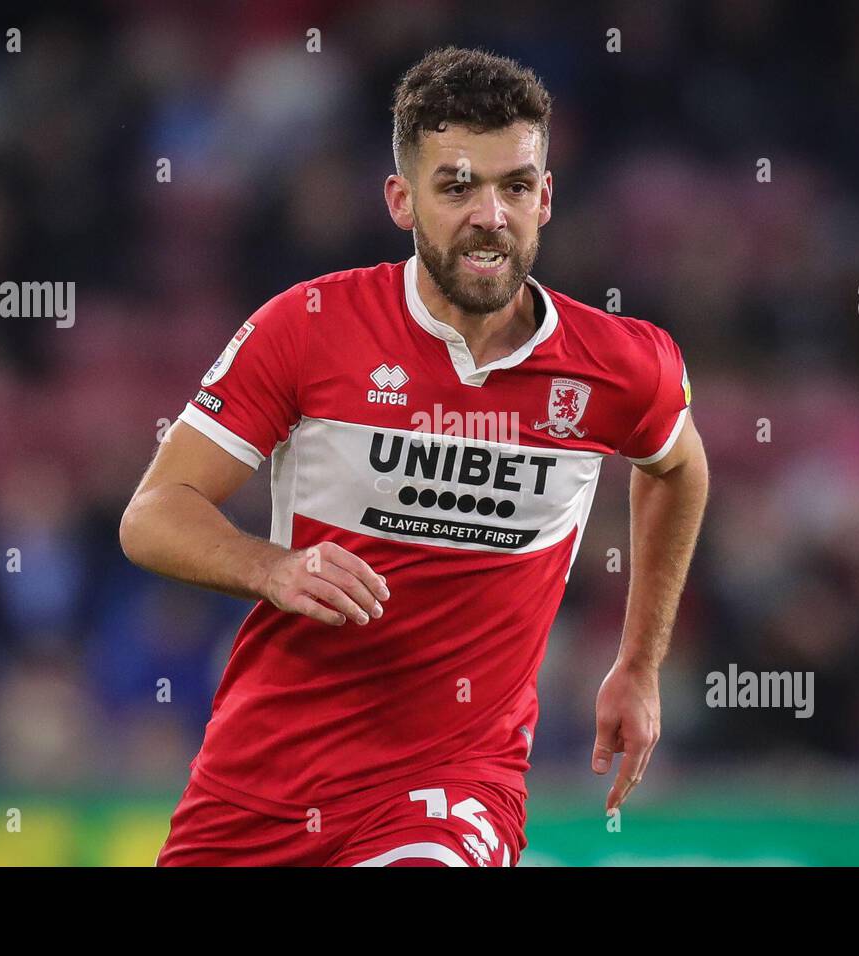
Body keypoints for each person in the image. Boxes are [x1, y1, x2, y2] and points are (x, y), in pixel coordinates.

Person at [121, 45, 709, 867]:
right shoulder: (309, 327)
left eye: (514, 186)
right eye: (458, 185)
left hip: (454, 784)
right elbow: (153, 514)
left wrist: (639, 664)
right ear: (402, 200)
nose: (490, 214)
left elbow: (678, 467)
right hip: (263, 782)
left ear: (546, 196)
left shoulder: (621, 364)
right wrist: (269, 569)